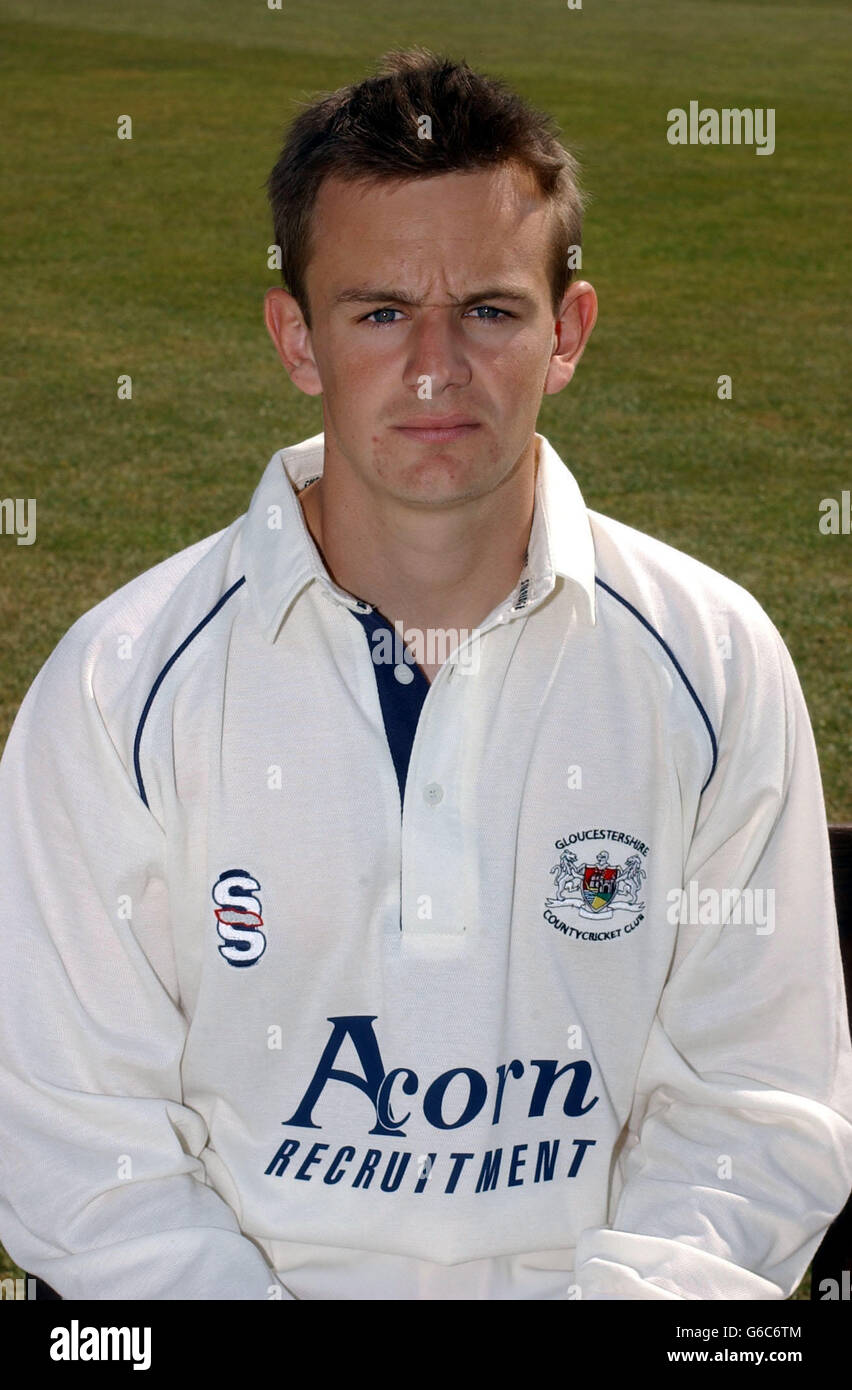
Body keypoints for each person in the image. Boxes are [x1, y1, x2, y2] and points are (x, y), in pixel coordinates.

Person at [0, 47, 850, 1303]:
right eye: (382, 311)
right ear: (297, 337)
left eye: (491, 311)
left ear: (568, 332)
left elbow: (755, 1112)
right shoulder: (117, 684)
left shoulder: (713, 660)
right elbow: (76, 1141)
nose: (437, 367)